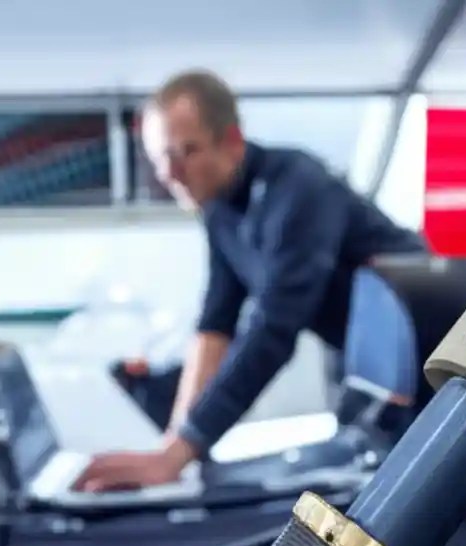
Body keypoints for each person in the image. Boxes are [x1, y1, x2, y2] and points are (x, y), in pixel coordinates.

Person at [75, 69, 427, 492]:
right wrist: (175, 444)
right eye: (160, 158)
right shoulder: (218, 206)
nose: (170, 174)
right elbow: (215, 326)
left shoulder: (299, 187)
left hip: (421, 363)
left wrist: (181, 450)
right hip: (362, 365)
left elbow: (274, 329)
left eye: (185, 152)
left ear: (232, 142)